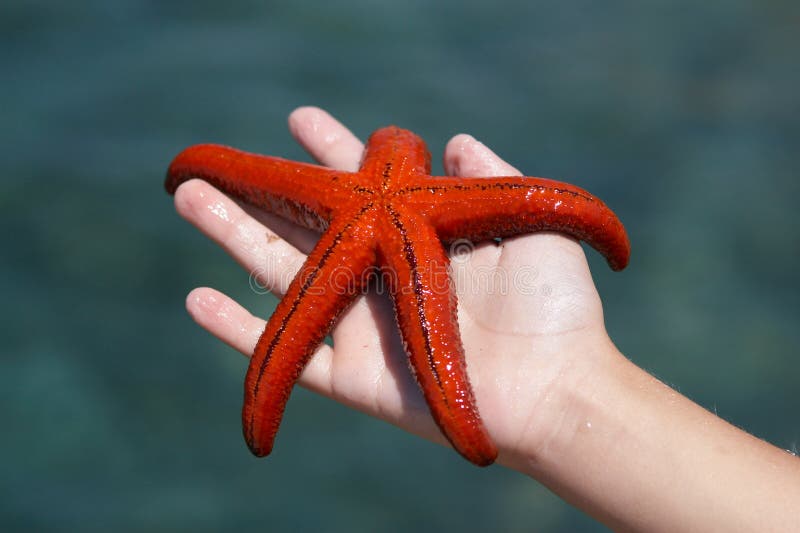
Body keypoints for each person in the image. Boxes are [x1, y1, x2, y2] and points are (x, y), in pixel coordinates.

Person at [170, 106, 800, 531]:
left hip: (374, 217)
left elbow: (564, 207)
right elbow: (560, 202)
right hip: (387, 212)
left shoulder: (408, 191)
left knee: (288, 340)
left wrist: (558, 403)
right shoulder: (426, 191)